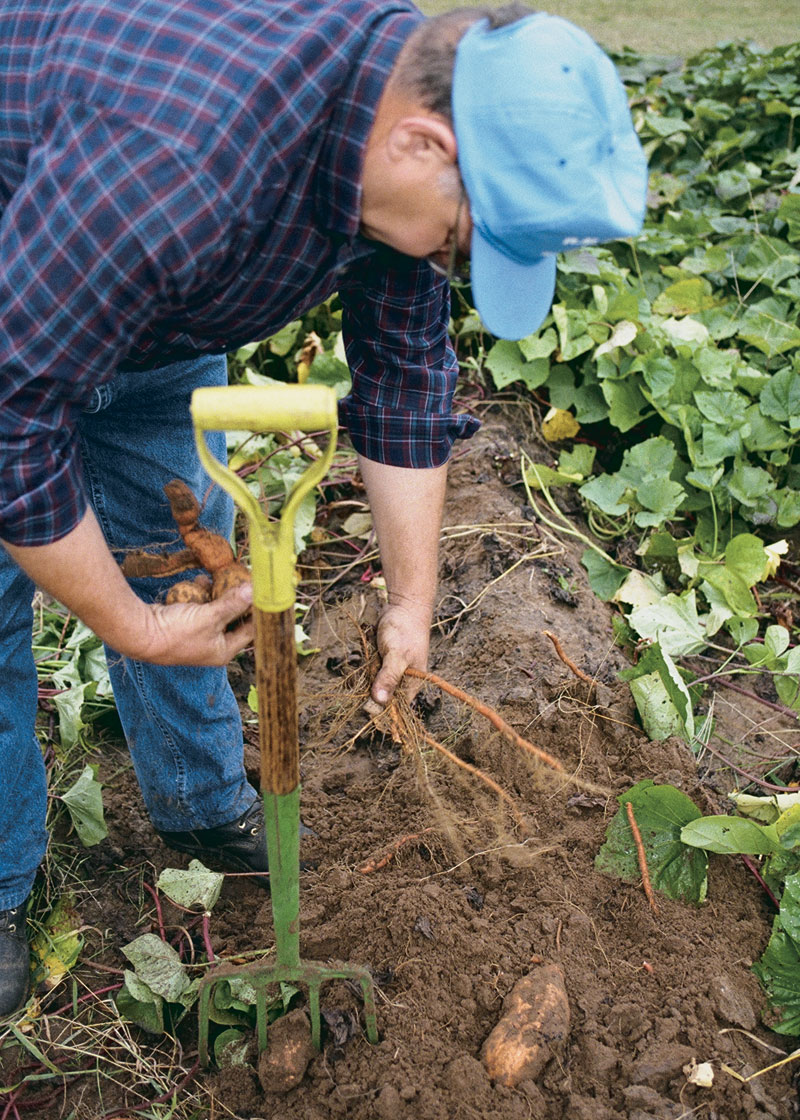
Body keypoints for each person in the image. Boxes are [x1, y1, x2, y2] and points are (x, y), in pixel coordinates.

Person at [0, 0, 647, 1015]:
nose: (455, 259)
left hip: (149, 312)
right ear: (422, 143)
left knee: (174, 552)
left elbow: (400, 383)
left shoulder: (385, 142)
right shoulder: (181, 166)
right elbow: (12, 416)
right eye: (466, 234)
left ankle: (200, 805)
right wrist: (120, 624)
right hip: (21, 288)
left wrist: (411, 599)